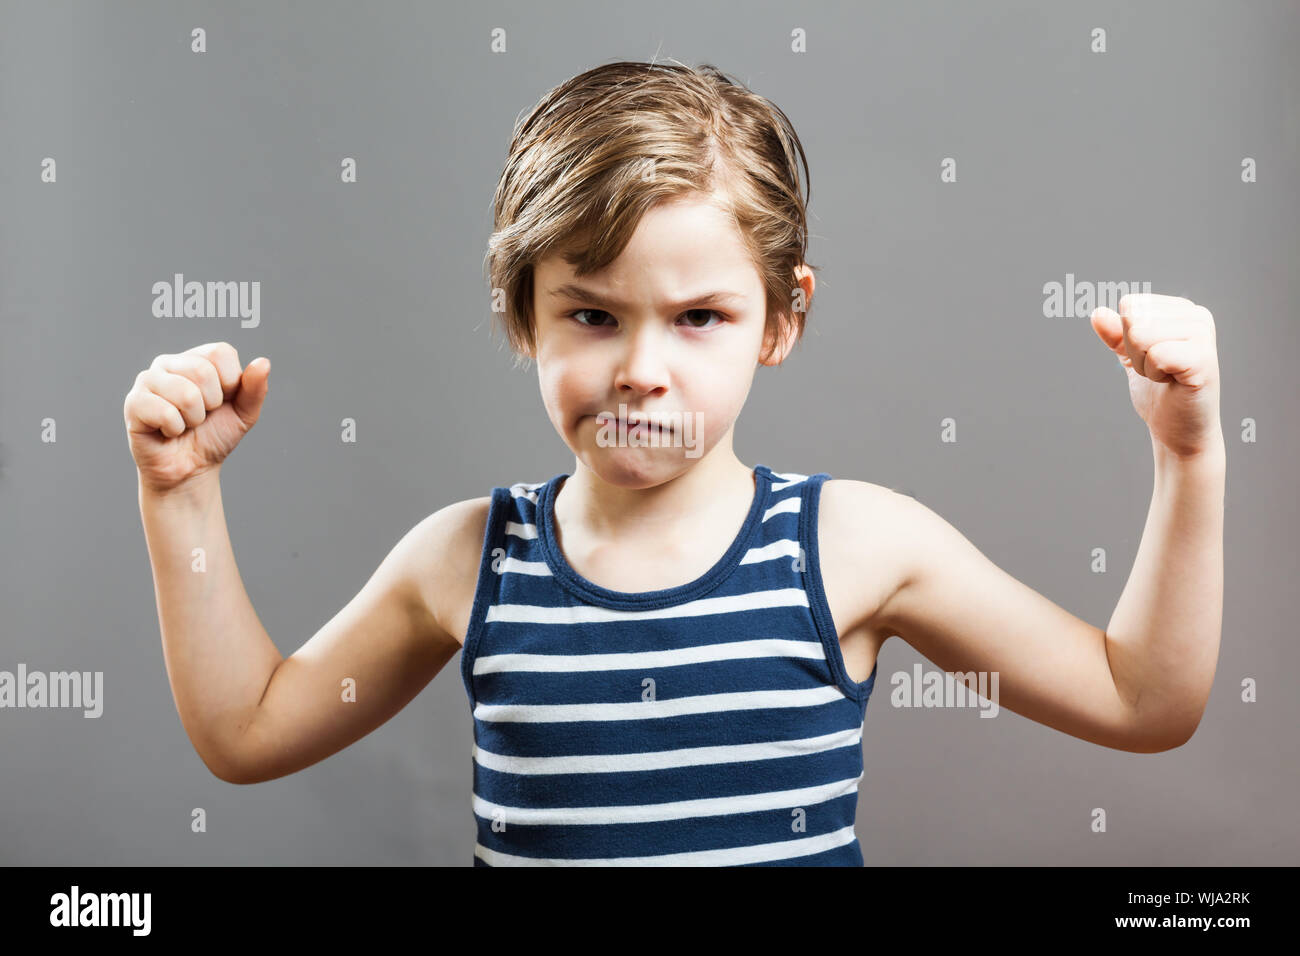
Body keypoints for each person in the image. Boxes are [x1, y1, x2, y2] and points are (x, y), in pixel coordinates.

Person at [123, 60, 1226, 866]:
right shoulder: (468, 559)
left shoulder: (850, 546)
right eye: (592, 314)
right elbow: (246, 728)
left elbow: (1142, 700)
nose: (642, 369)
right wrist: (180, 496)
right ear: (523, 316)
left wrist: (1187, 457)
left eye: (699, 315)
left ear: (780, 320)